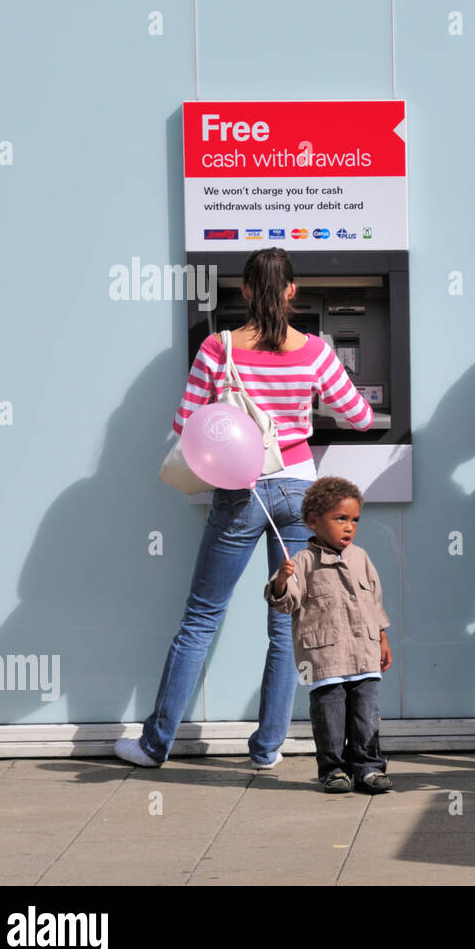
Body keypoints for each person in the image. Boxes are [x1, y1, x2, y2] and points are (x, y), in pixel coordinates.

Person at [116, 247, 376, 769]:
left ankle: (154, 745)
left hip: (242, 491)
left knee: (201, 619)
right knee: (286, 623)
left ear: (246, 293)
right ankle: (267, 748)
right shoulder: (316, 350)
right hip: (301, 492)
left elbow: (185, 422)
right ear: (292, 291)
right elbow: (361, 417)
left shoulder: (219, 347)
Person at [266, 477, 393, 793]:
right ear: (313, 521)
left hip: (364, 653)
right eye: (340, 519)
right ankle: (333, 770)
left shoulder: (361, 558)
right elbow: (284, 601)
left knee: (366, 716)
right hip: (323, 659)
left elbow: (374, 601)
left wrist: (383, 638)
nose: (349, 527)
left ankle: (369, 768)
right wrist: (282, 580)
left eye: (354, 520)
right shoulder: (302, 563)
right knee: (330, 719)